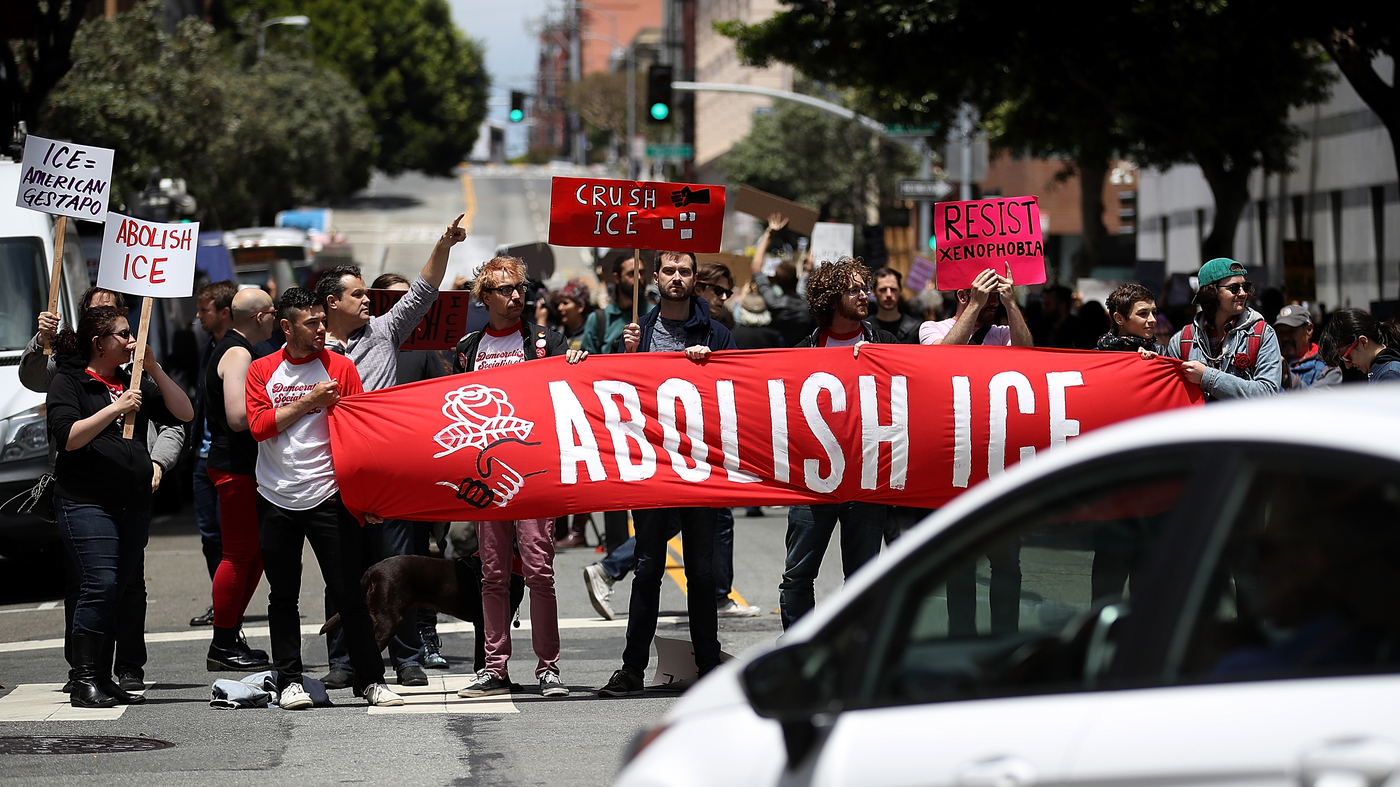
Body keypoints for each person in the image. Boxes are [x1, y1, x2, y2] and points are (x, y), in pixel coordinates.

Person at [245, 287, 403, 710]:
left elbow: (359, 434)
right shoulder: (262, 369)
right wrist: (310, 401)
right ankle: (290, 681)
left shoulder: (341, 366)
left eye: (322, 320)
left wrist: (364, 495)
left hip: (330, 496)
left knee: (349, 593)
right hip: (275, 497)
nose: (320, 329)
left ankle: (371, 680)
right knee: (283, 596)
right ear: (286, 327)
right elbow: (259, 427)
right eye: (310, 322)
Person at [316, 220, 458, 690]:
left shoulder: (384, 331)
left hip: (387, 475)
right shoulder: (311, 351)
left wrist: (441, 245)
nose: (367, 300)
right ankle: (343, 660)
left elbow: (423, 291)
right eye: (356, 294)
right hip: (334, 476)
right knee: (344, 574)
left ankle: (408, 656)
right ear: (331, 303)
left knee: (398, 568)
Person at [24, 289, 187, 694]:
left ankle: (104, 675)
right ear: (99, 343)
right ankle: (83, 678)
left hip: (131, 504)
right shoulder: (72, 381)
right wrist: (115, 408)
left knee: (118, 587)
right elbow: (70, 438)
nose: (133, 341)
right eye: (124, 335)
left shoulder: (134, 380)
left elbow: (184, 413)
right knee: (100, 584)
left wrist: (155, 370)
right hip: (85, 501)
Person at [597, 250, 736, 697]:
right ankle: (631, 670)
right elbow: (611, 388)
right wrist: (627, 355)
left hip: (699, 467)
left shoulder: (717, 334)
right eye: (669, 270)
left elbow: (736, 393)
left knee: (701, 571)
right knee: (648, 567)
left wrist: (712, 363)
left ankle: (709, 667)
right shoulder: (637, 332)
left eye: (686, 271)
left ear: (696, 279)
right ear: (654, 277)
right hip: (652, 466)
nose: (677, 278)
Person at [451, 256, 588, 700]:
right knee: (492, 574)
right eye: (505, 290)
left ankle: (549, 668)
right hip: (486, 475)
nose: (515, 297)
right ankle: (495, 667)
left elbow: (575, 387)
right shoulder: (468, 348)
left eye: (520, 288)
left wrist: (578, 360)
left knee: (538, 571)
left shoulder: (548, 341)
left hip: (536, 471)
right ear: (485, 296)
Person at [777, 257, 894, 630]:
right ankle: (797, 657)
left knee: (862, 581)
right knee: (797, 576)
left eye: (865, 287)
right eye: (854, 289)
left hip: (866, 482)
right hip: (815, 482)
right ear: (830, 298)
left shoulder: (886, 344)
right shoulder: (802, 351)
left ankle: (856, 659)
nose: (865, 295)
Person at [372, 271, 451, 669]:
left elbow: (443, 398)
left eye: (409, 299)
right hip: (371, 472)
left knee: (417, 557)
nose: (404, 307)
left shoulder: (424, 349)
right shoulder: (365, 345)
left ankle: (423, 638)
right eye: (392, 300)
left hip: (415, 470)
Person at [204, 287, 277, 672]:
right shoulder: (238, 353)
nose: (276, 318)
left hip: (242, 465)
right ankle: (222, 643)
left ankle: (229, 636)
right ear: (259, 316)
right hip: (234, 466)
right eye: (272, 312)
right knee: (237, 554)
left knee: (255, 554)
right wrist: (283, 413)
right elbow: (237, 417)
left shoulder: (238, 349)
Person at [581, 254, 645, 557]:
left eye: (643, 273)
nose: (640, 279)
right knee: (616, 483)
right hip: (612, 411)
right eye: (632, 273)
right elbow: (588, 365)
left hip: (647, 411)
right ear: (617, 279)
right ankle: (618, 548)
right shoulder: (600, 319)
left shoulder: (654, 316)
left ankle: (644, 545)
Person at [188, 281, 238, 627]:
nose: (198, 316)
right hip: (203, 458)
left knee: (233, 538)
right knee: (210, 537)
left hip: (230, 458)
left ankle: (231, 603)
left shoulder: (245, 350)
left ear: (224, 312)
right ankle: (219, 602)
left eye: (204, 309)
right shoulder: (207, 348)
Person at [1161, 258, 1282, 399]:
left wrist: (1206, 377)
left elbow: (1268, 394)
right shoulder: (1182, 340)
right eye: (1234, 288)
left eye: (1246, 287)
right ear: (1211, 292)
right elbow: (1171, 395)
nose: (1243, 293)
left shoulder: (1263, 335)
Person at [920, 267, 1034, 348]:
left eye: (997, 295)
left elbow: (1025, 353)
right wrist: (975, 304)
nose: (995, 302)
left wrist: (1011, 303)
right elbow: (942, 357)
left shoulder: (1003, 334)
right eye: (987, 295)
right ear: (963, 297)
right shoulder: (932, 328)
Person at [750, 214, 815, 348]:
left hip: (778, 353)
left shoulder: (773, 302)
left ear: (776, 282)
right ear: (796, 279)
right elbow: (806, 276)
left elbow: (756, 268)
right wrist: (808, 265)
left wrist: (769, 233)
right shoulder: (806, 303)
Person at [1318, 308, 1400, 383]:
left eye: (1346, 357)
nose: (1348, 366)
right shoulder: (1379, 373)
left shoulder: (1389, 376)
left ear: (1363, 342)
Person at [1273, 305, 1342, 390]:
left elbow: (1316, 402)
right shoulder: (1269, 364)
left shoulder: (1328, 369)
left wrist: (1288, 378)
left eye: (1292, 331)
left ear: (1309, 330)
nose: (1285, 338)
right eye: (1281, 332)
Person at [1096, 283, 1165, 353]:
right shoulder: (1097, 355)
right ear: (1119, 319)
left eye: (1154, 312)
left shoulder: (1160, 352)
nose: (1153, 320)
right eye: (1143, 313)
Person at [871, 267, 922, 343]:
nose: (889, 294)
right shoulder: (866, 328)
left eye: (893, 289)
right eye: (883, 290)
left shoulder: (916, 329)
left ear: (901, 290)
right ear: (874, 292)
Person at [695, 261, 736, 329]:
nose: (724, 297)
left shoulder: (720, 330)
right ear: (698, 289)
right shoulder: (678, 319)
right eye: (718, 290)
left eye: (728, 293)